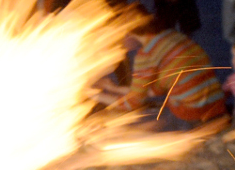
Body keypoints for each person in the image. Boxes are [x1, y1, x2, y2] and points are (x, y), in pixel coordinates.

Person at [96, 14, 226, 130]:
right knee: (151, 111)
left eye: (117, 38)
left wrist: (89, 94)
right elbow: (150, 92)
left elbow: (132, 104)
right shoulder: (173, 36)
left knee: (119, 126)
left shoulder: (147, 54)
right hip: (216, 108)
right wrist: (112, 88)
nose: (118, 45)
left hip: (191, 115)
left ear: (127, 33)